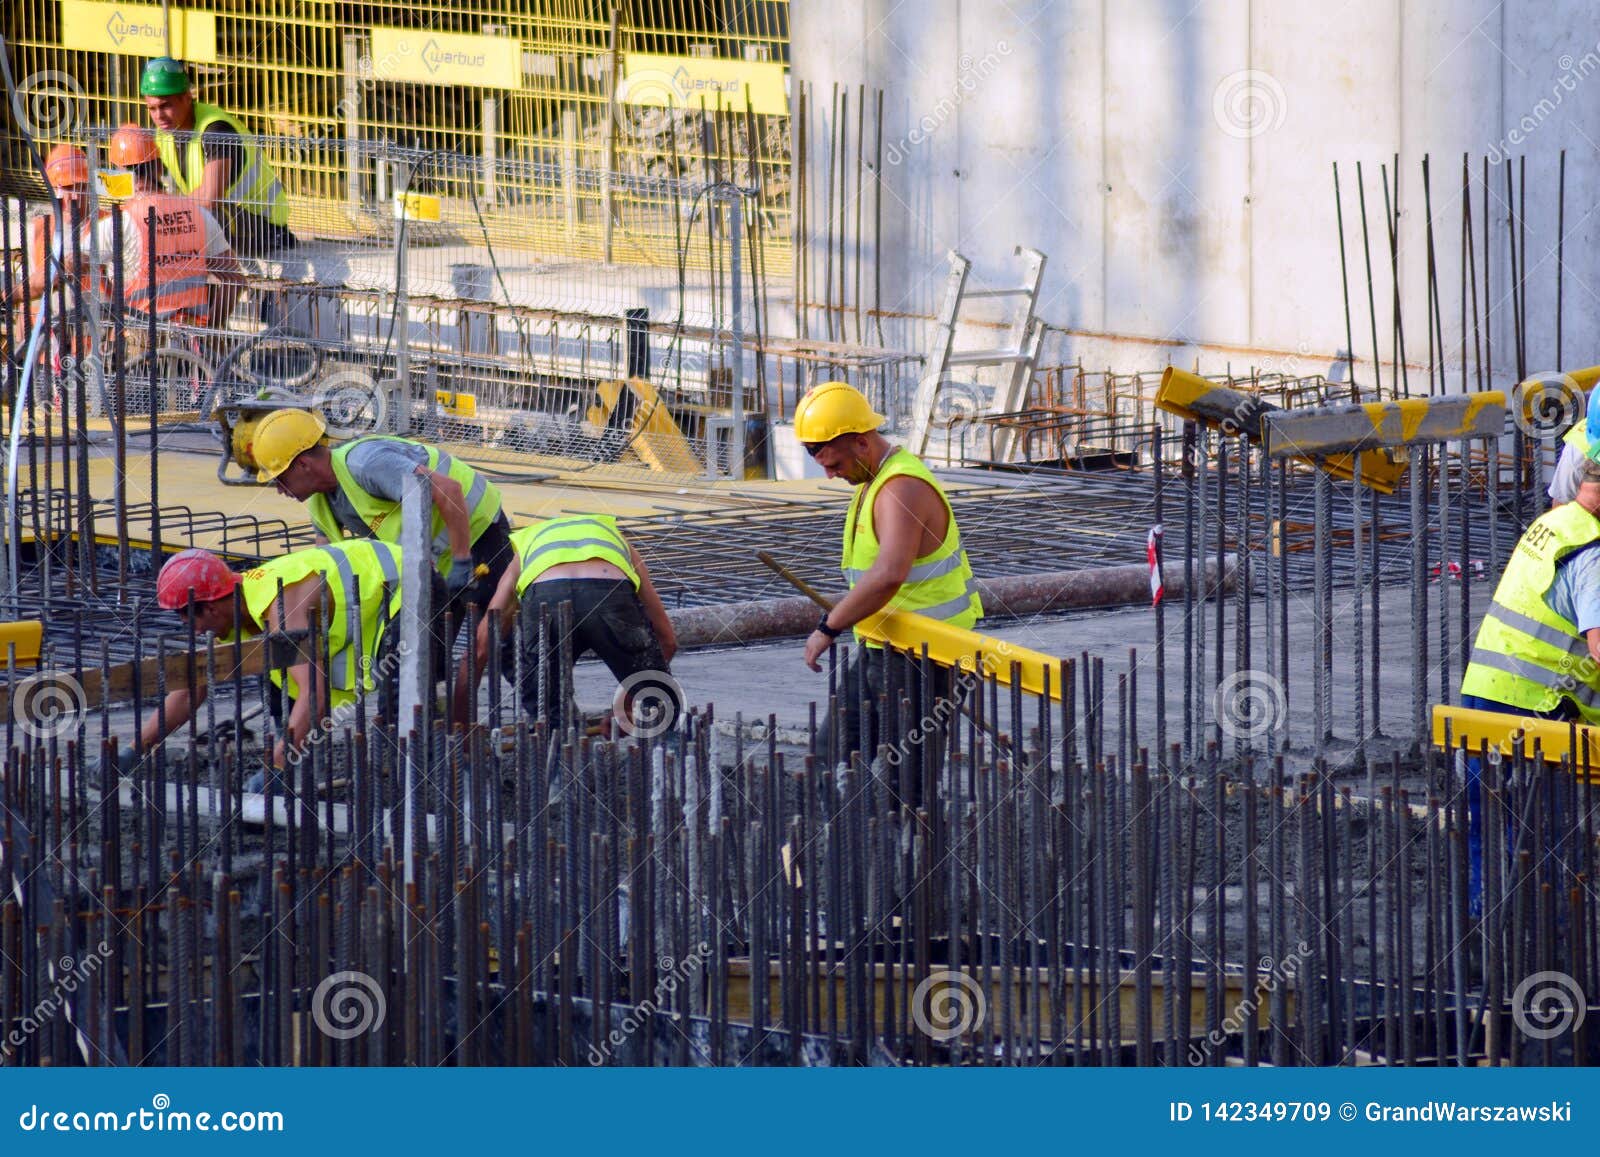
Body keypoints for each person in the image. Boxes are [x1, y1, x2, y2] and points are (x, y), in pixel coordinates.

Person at [793, 381, 982, 769]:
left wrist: (828, 628)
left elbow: (888, 575)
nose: (831, 476)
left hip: (927, 659)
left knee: (907, 783)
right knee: (829, 761)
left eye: (835, 465)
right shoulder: (873, 481)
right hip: (885, 647)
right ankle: (834, 829)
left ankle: (911, 830)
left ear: (862, 442)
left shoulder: (901, 488)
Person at [124, 542, 407, 777]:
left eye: (191, 619)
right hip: (375, 600)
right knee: (276, 673)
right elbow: (191, 690)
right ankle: (295, 760)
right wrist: (134, 750)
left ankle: (415, 768)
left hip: (412, 587)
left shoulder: (282, 611)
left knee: (401, 697)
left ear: (211, 607)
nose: (194, 630)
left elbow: (315, 696)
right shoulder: (237, 607)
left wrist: (275, 768)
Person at [1459, 453, 1600, 909]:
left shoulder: (1554, 525)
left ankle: (1488, 933)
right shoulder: (1592, 551)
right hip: (1535, 708)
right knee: (1543, 835)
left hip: (1485, 693)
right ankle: (1548, 934)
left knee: (1488, 821)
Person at [246, 408, 514, 635]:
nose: (280, 489)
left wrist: (461, 560)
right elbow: (325, 563)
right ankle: (446, 695)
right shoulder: (320, 504)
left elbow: (450, 491)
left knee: (494, 637)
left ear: (304, 464)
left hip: (477, 529)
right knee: (431, 650)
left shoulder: (367, 464)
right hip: (436, 559)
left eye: (280, 478)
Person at [453, 514, 679, 734]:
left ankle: (559, 752)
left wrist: (459, 730)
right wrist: (627, 705)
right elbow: (667, 640)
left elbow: (477, 652)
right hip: (608, 592)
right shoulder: (616, 541)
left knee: (551, 713)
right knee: (659, 702)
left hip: (546, 597)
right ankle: (670, 759)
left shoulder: (525, 553)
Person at [79, 124, 245, 342]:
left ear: (116, 173)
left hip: (144, 342)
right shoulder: (199, 215)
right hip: (193, 339)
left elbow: (68, 264)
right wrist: (211, 328)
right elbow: (236, 281)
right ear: (159, 167)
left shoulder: (120, 224)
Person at [140, 56, 293, 258]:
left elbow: (210, 198)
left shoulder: (215, 130)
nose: (159, 116)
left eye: (165, 105)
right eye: (152, 108)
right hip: (227, 222)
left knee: (195, 218)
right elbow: (150, 190)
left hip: (264, 227)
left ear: (187, 97)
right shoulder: (164, 133)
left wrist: (166, 211)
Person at [7, 144, 95, 346]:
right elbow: (31, 292)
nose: (68, 197)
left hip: (90, 344)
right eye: (62, 189)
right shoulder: (41, 228)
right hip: (48, 346)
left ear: (89, 188)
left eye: (75, 188)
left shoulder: (104, 226)